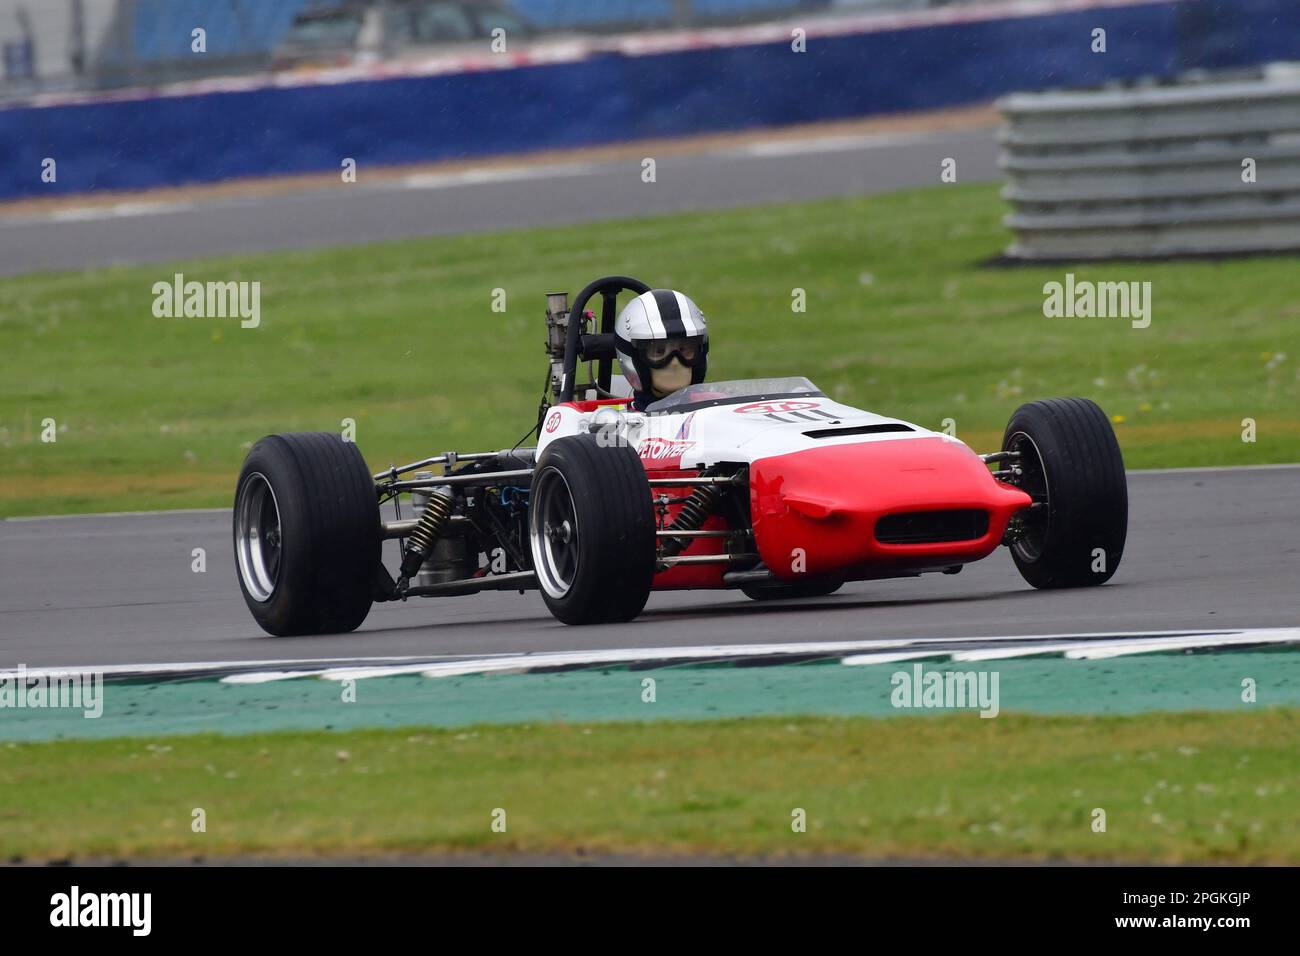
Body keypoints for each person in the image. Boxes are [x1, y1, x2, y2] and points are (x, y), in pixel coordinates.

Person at [613, 289, 709, 410]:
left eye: (684, 349)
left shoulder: (719, 408)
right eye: (659, 351)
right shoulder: (612, 423)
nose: (675, 362)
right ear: (634, 359)